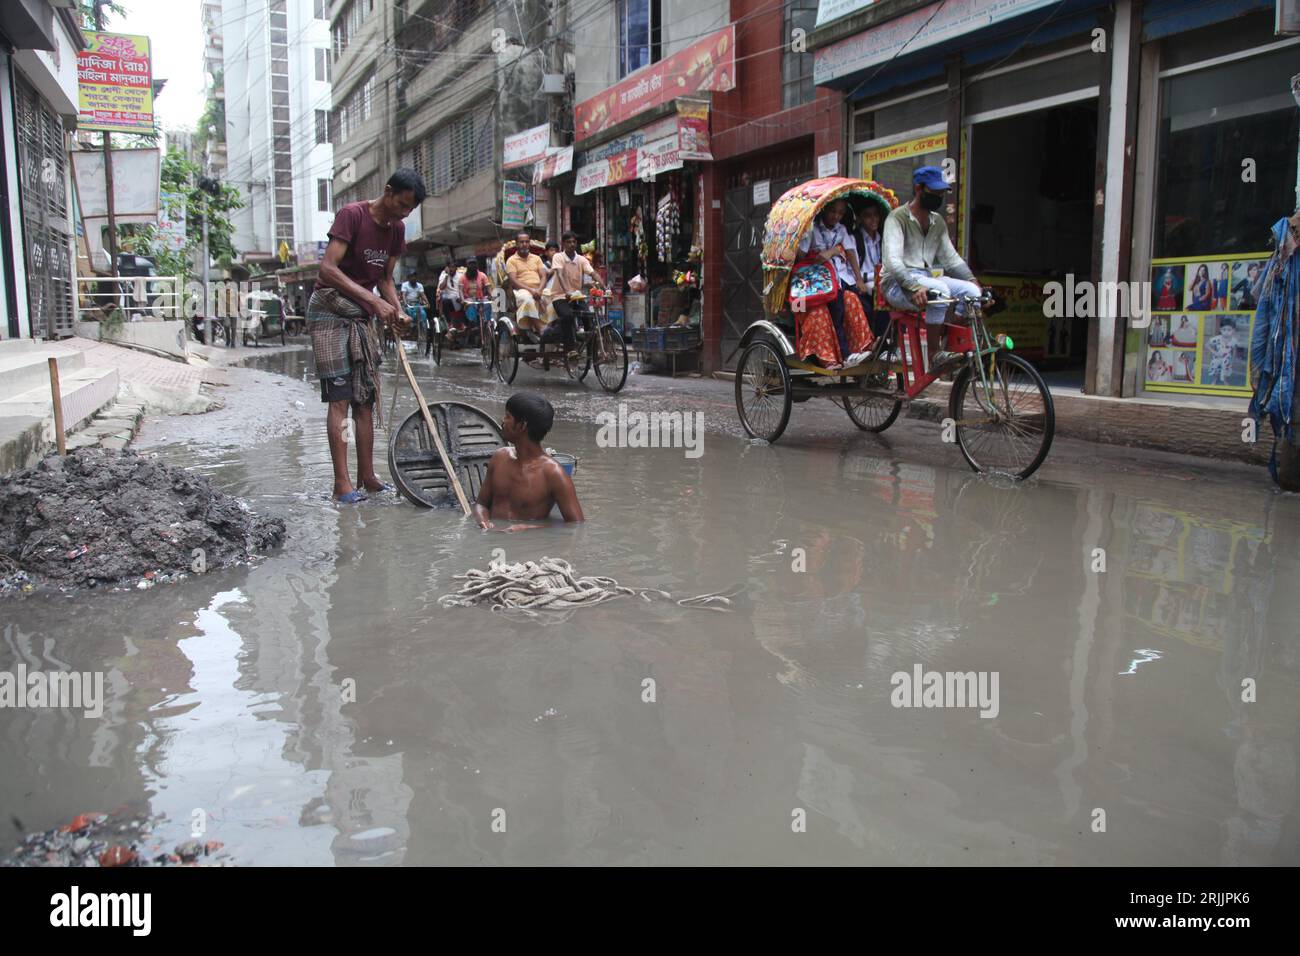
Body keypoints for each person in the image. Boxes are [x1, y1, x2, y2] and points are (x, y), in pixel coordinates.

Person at [309, 168, 423, 502]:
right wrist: (374, 301)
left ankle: (368, 476)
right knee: (340, 398)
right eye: (400, 205)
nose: (402, 214)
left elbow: (386, 278)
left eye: (409, 210)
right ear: (388, 192)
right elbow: (327, 269)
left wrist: (397, 309)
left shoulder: (396, 230)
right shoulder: (352, 215)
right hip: (330, 311)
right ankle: (341, 484)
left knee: (365, 398)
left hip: (360, 314)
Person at [881, 165, 982, 371]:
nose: (938, 196)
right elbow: (893, 261)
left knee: (972, 293)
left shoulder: (938, 222)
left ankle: (947, 336)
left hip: (925, 278)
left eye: (941, 193)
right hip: (897, 284)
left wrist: (972, 280)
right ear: (919, 188)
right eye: (934, 192)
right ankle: (935, 354)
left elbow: (951, 259)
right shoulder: (897, 218)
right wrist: (912, 287)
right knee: (940, 291)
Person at [474, 391, 584, 530]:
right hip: (492, 542)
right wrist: (483, 521)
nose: (502, 420)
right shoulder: (499, 458)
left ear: (522, 426)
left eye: (508, 416)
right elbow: (481, 504)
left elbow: (577, 526)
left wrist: (527, 528)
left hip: (528, 549)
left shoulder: (554, 474)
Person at [796, 198, 865, 362]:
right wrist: (801, 234)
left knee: (858, 303)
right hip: (817, 280)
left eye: (840, 213)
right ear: (824, 210)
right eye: (833, 211)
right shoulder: (812, 229)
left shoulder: (841, 230)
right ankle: (845, 354)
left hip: (836, 279)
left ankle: (861, 348)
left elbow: (850, 253)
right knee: (837, 311)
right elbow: (801, 256)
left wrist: (859, 279)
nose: (836, 216)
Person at [549, 231, 603, 355]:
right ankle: (570, 349)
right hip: (560, 297)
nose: (572, 244)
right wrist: (567, 291)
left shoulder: (581, 259)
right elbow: (560, 274)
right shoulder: (558, 257)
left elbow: (593, 273)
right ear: (563, 244)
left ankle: (592, 351)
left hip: (577, 297)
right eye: (569, 242)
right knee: (567, 316)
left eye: (574, 242)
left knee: (589, 318)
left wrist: (605, 287)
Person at [854, 200, 886, 338]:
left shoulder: (882, 237)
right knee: (882, 295)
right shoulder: (855, 238)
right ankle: (880, 340)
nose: (873, 219)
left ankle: (889, 340)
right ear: (860, 219)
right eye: (868, 216)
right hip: (862, 279)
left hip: (879, 278)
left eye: (875, 215)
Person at [505, 231, 547, 332]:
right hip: (522, 290)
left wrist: (540, 289)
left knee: (556, 298)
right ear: (517, 244)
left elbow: (543, 276)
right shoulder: (511, 260)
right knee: (528, 299)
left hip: (539, 288)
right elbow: (514, 281)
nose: (524, 244)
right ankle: (540, 329)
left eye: (527, 242)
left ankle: (553, 327)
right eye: (521, 242)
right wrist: (532, 290)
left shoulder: (537, 258)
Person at [459, 258, 493, 336]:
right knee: (470, 307)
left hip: (480, 298)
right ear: (467, 266)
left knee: (488, 304)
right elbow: (460, 290)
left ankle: (487, 323)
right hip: (469, 300)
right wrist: (463, 300)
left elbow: (488, 287)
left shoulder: (482, 275)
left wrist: (491, 295)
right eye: (470, 264)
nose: (472, 266)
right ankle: (473, 324)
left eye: (474, 264)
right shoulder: (463, 277)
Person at [1205, 318, 1238, 385]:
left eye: (1229, 330)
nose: (1226, 332)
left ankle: (1225, 380)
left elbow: (1234, 350)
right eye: (1224, 329)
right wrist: (1214, 352)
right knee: (1215, 370)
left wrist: (1232, 360)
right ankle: (1214, 380)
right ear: (1220, 330)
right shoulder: (1217, 339)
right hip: (1217, 358)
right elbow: (1207, 345)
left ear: (1233, 330)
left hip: (1227, 359)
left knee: (1226, 370)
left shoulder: (1233, 341)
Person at [400, 274, 429, 348]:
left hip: (417, 303)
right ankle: (410, 328)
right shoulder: (405, 285)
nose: (413, 278)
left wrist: (427, 302)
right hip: (408, 304)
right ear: (409, 278)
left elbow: (422, 295)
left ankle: (422, 330)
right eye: (412, 277)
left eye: (415, 277)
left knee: (423, 314)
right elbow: (403, 295)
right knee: (409, 313)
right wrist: (405, 303)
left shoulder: (419, 285)